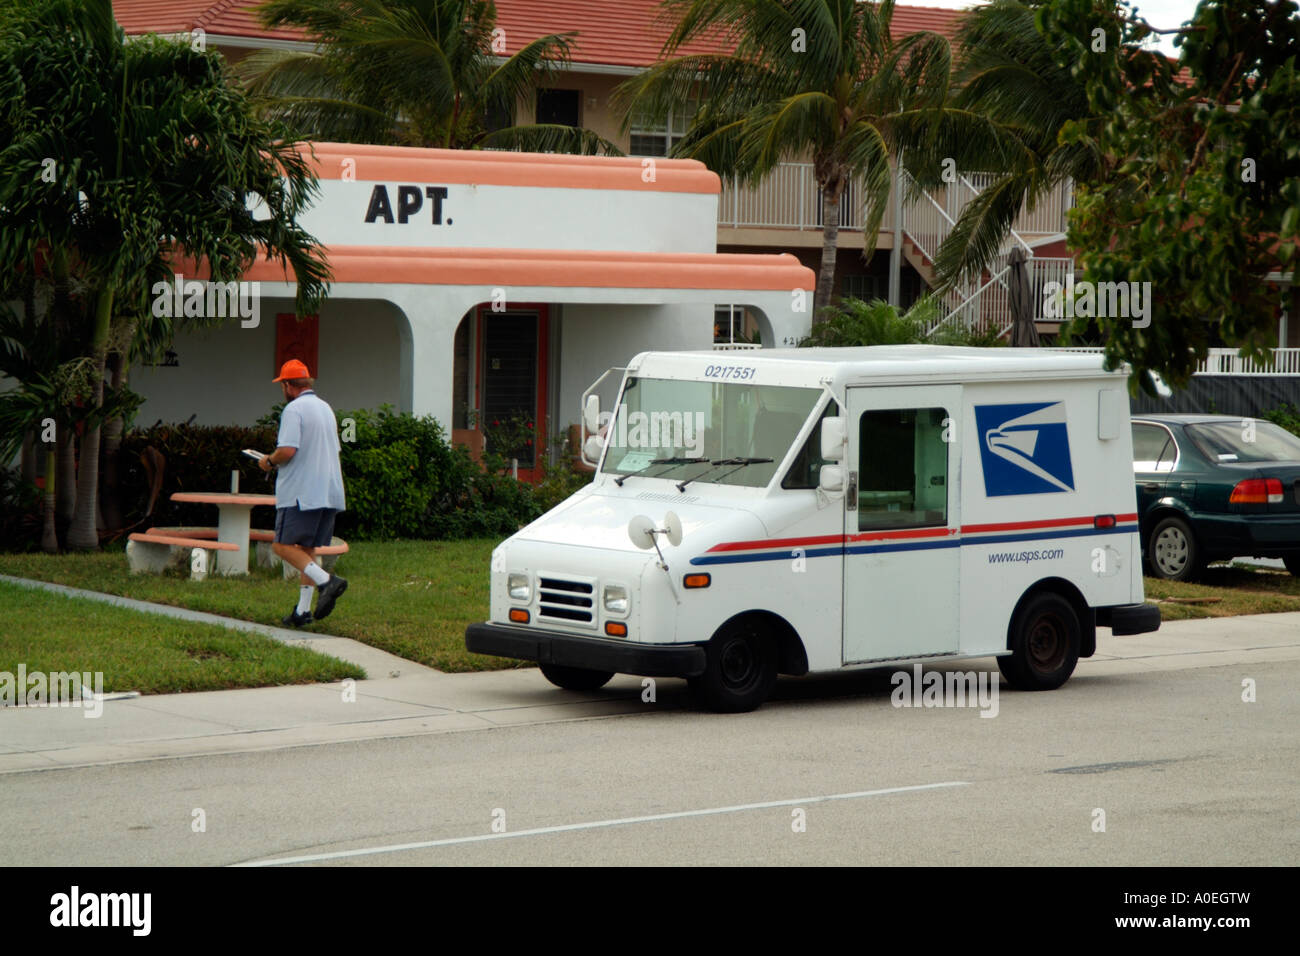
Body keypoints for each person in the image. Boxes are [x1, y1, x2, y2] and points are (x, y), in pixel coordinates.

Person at [259, 359, 348, 627]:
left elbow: (287, 450)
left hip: (301, 491)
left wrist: (268, 461)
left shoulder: (294, 409)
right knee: (306, 549)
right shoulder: (325, 408)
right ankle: (302, 611)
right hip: (328, 489)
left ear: (288, 385)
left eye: (282, 385)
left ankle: (328, 582)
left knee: (282, 545)